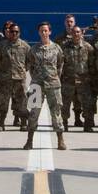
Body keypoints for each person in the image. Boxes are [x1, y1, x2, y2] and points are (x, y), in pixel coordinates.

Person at [23, 22, 66, 151]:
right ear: (39, 32)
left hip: (53, 84)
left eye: (46, 30)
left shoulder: (57, 48)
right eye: (41, 31)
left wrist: (53, 77)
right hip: (37, 85)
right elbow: (30, 66)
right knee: (33, 112)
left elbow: (60, 65)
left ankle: (60, 140)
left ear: (50, 32)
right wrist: (37, 78)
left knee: (56, 112)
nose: (44, 33)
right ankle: (29, 140)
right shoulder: (33, 49)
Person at [0, 23, 30, 131]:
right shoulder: (2, 45)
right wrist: (5, 71)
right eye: (12, 31)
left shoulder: (25, 46)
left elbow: (29, 62)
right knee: (2, 102)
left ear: (19, 33)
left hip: (19, 80)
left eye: (16, 32)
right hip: (5, 79)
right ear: (9, 32)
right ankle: (0, 123)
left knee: (22, 102)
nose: (14, 33)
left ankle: (23, 123)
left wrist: (21, 71)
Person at [60, 25, 95, 131]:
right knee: (65, 104)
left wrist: (92, 79)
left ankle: (88, 124)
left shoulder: (88, 47)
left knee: (86, 103)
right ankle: (64, 123)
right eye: (74, 32)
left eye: (78, 32)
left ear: (82, 33)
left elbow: (92, 65)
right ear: (71, 34)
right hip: (68, 81)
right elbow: (60, 63)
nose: (76, 34)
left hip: (84, 81)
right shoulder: (64, 47)